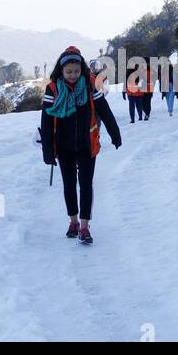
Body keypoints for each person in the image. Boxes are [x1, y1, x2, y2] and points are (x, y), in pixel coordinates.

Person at [40, 46, 122, 245]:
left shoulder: (90, 85)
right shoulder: (53, 89)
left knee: (86, 185)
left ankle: (85, 226)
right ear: (61, 70)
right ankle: (73, 222)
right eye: (69, 72)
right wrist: (48, 150)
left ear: (81, 69)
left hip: (87, 144)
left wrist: (114, 133)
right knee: (69, 185)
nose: (73, 75)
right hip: (64, 145)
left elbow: (104, 110)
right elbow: (46, 121)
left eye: (76, 71)